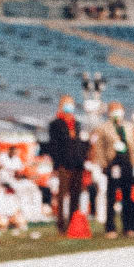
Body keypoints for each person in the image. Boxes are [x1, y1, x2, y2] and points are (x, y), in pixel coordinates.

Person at [91, 101, 134, 239]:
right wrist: (103, 164)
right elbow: (99, 148)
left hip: (126, 164)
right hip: (112, 164)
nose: (116, 111)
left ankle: (128, 226)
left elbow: (133, 146)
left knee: (128, 196)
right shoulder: (104, 128)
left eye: (118, 109)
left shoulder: (129, 127)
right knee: (111, 197)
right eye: (113, 109)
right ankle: (110, 227)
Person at [47, 95, 85, 234]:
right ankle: (61, 225)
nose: (69, 107)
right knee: (62, 196)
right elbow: (54, 146)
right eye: (66, 104)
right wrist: (57, 165)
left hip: (77, 164)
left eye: (71, 104)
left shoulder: (77, 123)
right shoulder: (55, 124)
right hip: (63, 164)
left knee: (75, 195)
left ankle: (73, 222)